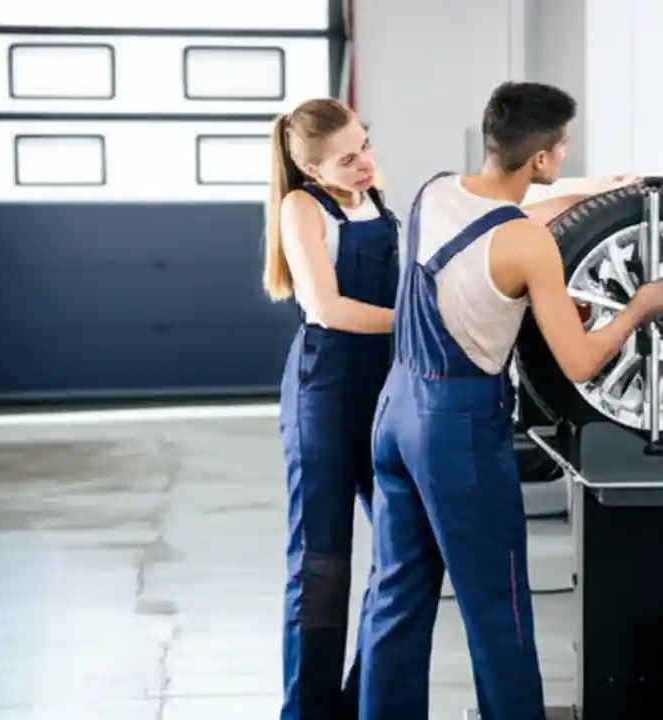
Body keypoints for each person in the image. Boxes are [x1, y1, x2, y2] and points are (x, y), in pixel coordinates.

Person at [359, 82, 663, 719]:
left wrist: (590, 189)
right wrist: (640, 309)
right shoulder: (531, 248)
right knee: (496, 611)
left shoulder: (435, 190)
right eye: (560, 151)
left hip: (396, 412)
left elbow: (505, 215)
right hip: (458, 433)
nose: (561, 159)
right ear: (541, 159)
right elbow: (581, 360)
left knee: (396, 598)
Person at [264, 97, 398, 720]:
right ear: (314, 168)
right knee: (322, 564)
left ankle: (355, 701)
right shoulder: (302, 208)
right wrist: (418, 324)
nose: (365, 163)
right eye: (348, 159)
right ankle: (308, 712)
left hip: (385, 387)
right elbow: (328, 309)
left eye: (366, 145)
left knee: (406, 550)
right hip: (325, 389)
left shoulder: (371, 195)